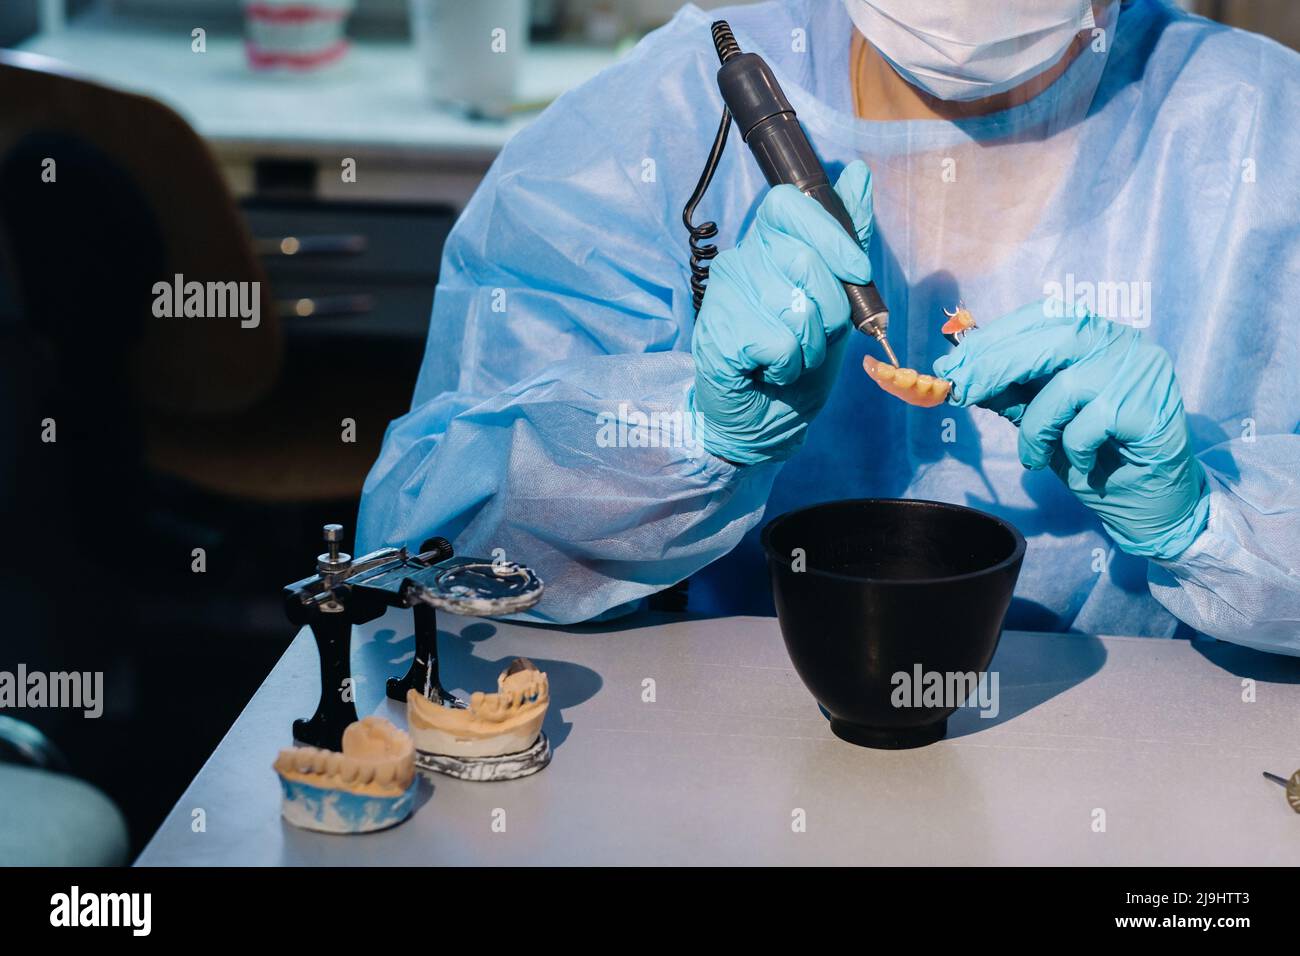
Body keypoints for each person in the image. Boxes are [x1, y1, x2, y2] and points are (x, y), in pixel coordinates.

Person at [357, 0, 1300, 655]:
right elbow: (428, 551)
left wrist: (1209, 525)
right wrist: (687, 435)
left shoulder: (1264, 135)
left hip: (1147, 777)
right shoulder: (665, 123)